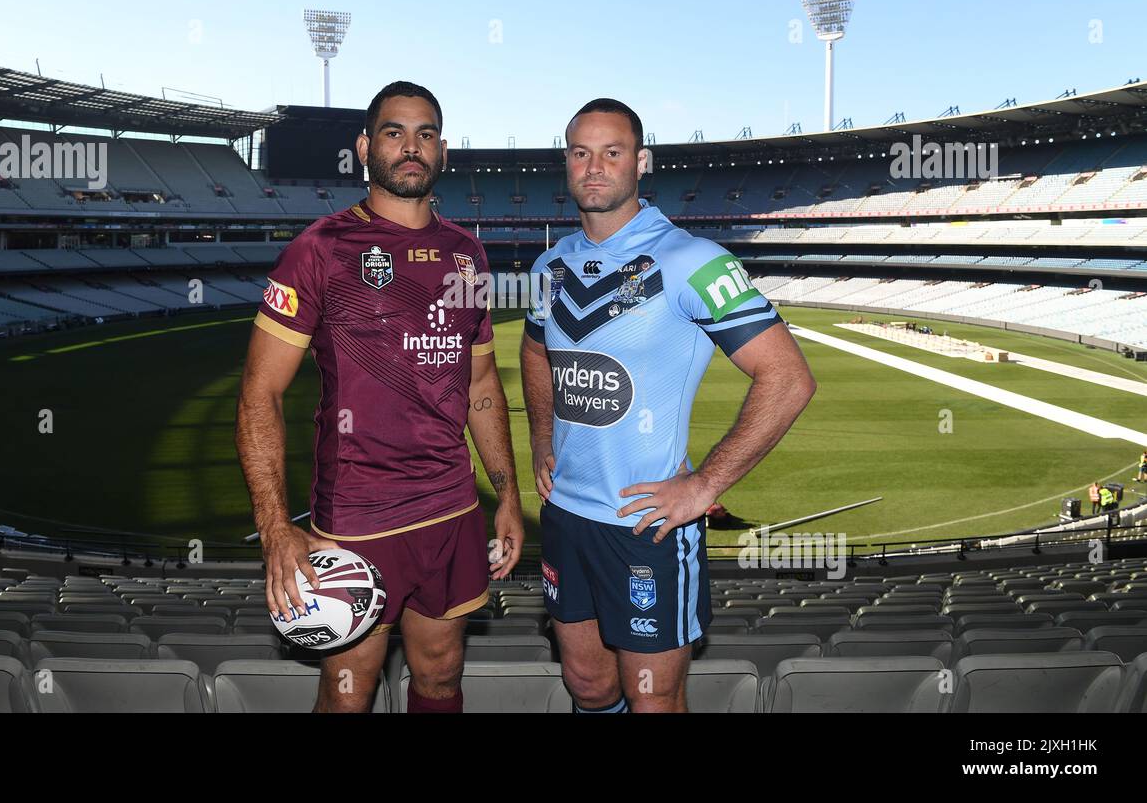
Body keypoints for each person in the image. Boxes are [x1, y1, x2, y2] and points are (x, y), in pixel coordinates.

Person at [520, 98, 816, 713]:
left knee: (653, 700)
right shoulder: (549, 267)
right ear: (566, 164)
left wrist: (706, 484)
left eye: (612, 152)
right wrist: (541, 442)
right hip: (566, 517)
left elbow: (788, 378)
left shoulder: (694, 261)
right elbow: (533, 352)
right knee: (588, 685)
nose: (594, 167)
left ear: (642, 162)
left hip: (644, 526)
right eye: (580, 152)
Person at [237, 81, 524, 713]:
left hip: (451, 508)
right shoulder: (320, 250)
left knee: (442, 676)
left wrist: (506, 493)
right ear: (366, 147)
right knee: (348, 693)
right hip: (357, 517)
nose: (410, 147)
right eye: (395, 132)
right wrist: (275, 528)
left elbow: (480, 385)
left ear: (443, 151)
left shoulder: (466, 255)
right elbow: (260, 392)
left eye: (425, 134)